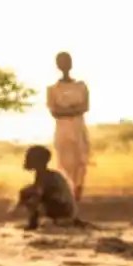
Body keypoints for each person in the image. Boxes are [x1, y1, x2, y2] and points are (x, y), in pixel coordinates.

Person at [9, 146, 92, 230]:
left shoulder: (45, 177)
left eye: (30, 157)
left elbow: (37, 198)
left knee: (30, 194)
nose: (26, 160)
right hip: (66, 213)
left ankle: (33, 225)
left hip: (63, 214)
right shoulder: (48, 175)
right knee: (28, 192)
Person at [46, 51, 90, 202]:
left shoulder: (81, 86)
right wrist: (72, 110)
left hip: (78, 128)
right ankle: (68, 194)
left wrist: (66, 110)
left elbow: (84, 107)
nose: (65, 64)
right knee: (65, 163)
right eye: (62, 61)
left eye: (67, 61)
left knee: (81, 161)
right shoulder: (52, 89)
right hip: (63, 130)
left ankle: (77, 194)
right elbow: (54, 111)